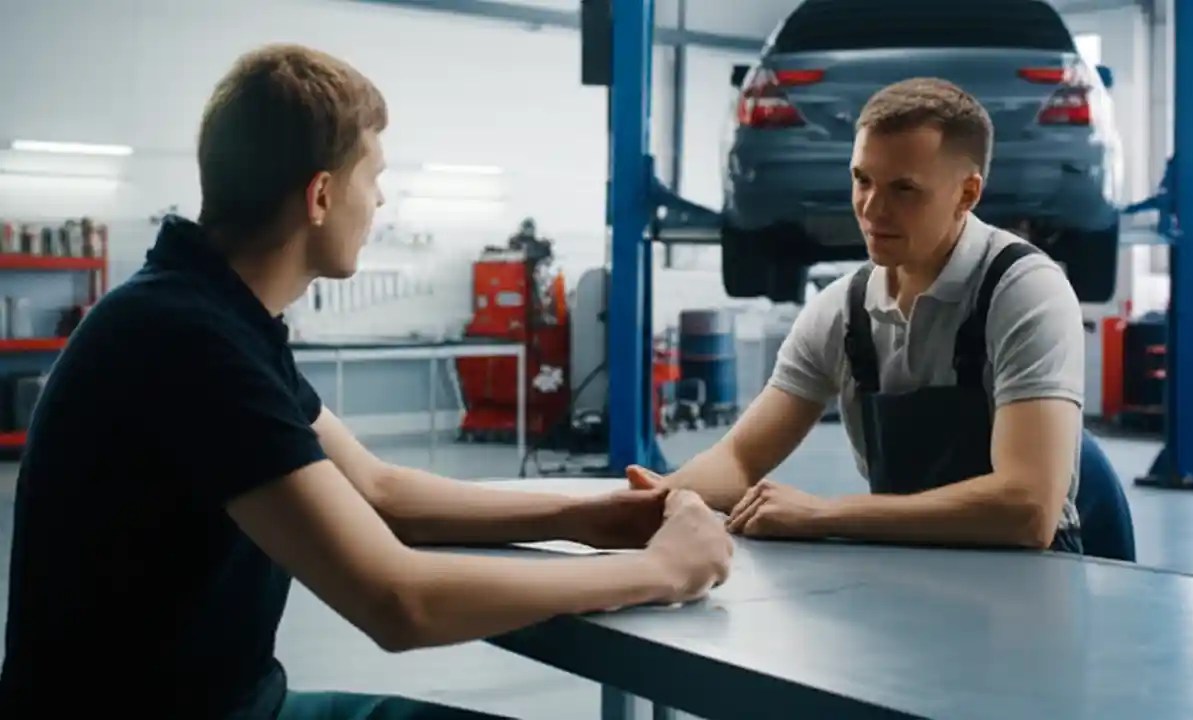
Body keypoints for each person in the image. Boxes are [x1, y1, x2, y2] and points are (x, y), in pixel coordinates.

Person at [0, 45, 733, 719]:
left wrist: (584, 518)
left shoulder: (210, 309)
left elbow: (380, 493)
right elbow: (398, 601)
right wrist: (660, 570)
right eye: (373, 178)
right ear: (320, 196)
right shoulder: (189, 341)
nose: (379, 203)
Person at [631, 77, 1086, 552]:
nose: (872, 209)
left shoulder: (1023, 291)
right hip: (904, 562)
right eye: (862, 179)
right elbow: (740, 458)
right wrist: (663, 501)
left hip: (1028, 584)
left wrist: (823, 515)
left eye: (904, 189)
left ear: (967, 194)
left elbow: (1029, 508)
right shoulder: (845, 310)